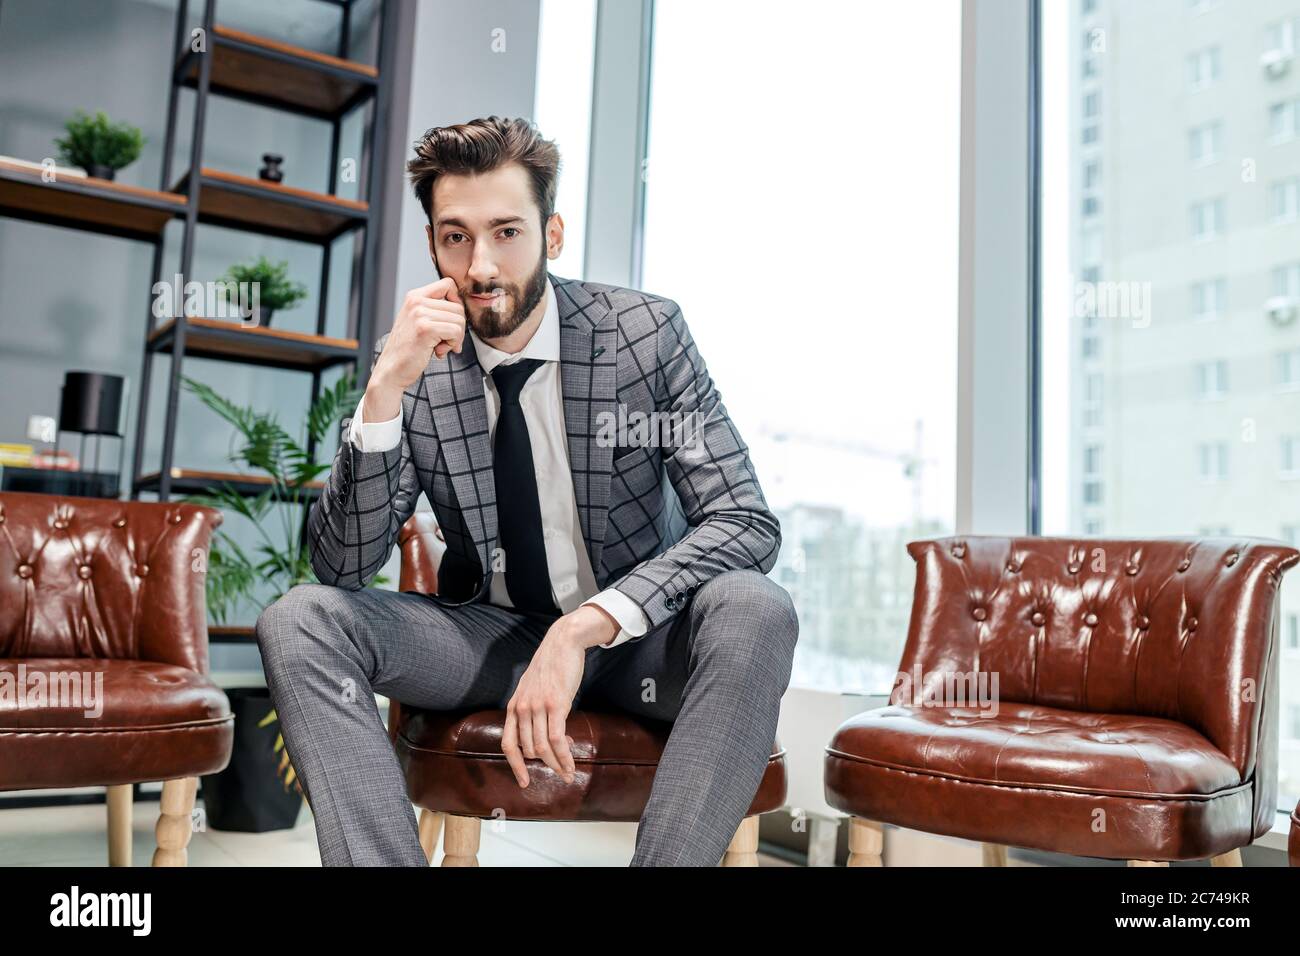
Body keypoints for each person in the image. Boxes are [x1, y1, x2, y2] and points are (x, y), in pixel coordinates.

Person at [255, 115, 798, 866]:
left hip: (642, 644)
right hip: (493, 638)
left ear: (553, 234)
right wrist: (383, 393)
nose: (481, 265)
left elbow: (744, 520)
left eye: (507, 231)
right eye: (456, 236)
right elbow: (343, 569)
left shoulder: (644, 335)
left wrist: (583, 628)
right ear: (433, 244)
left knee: (756, 605)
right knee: (301, 619)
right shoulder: (416, 365)